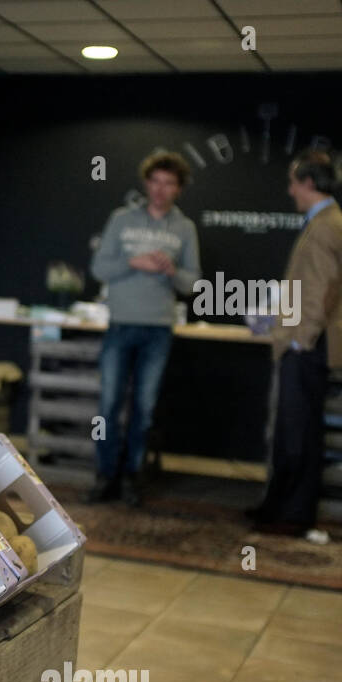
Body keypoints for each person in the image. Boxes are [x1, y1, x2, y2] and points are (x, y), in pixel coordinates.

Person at [248, 149, 342, 541]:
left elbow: (320, 291)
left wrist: (299, 340)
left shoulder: (327, 225)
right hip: (307, 344)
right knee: (299, 431)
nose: (290, 190)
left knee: (297, 433)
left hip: (306, 347)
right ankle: (282, 507)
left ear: (309, 183)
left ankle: (291, 515)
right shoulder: (330, 222)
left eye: (294, 181)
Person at [88, 151, 201, 506]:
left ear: (178, 189)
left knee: (144, 409)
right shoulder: (121, 219)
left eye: (169, 183)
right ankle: (105, 476)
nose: (160, 189)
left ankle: (132, 477)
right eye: (155, 181)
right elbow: (99, 269)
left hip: (158, 328)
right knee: (108, 405)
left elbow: (192, 282)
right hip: (120, 324)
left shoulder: (185, 228)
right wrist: (132, 261)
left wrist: (171, 270)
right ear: (146, 183)